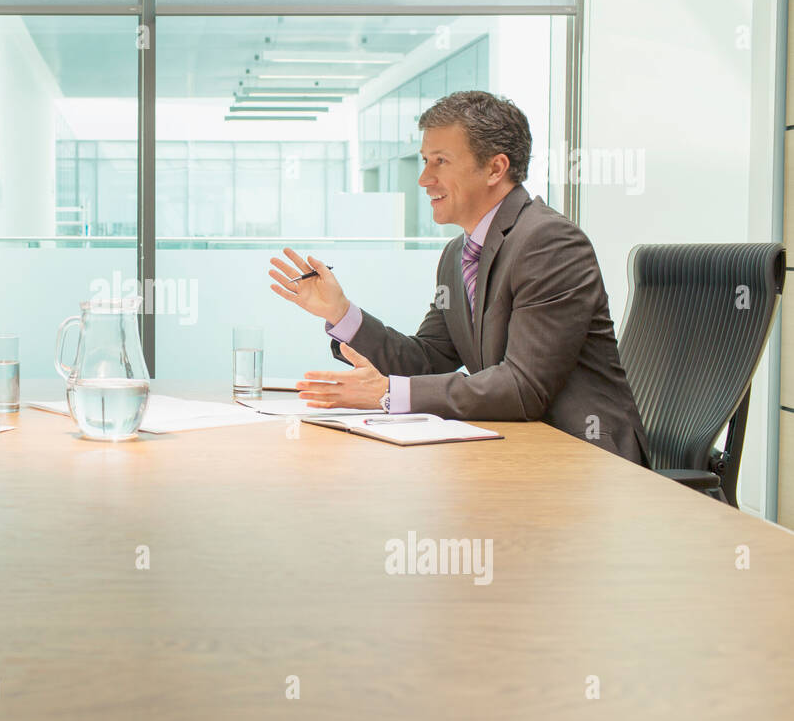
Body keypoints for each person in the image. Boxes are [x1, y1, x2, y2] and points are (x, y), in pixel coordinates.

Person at [269, 90, 648, 464]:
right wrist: (341, 313)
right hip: (516, 448)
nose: (423, 179)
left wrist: (387, 393)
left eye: (440, 162)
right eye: (424, 161)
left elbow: (523, 387)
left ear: (495, 169)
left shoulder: (549, 243)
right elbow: (428, 357)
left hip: (587, 458)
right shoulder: (458, 254)